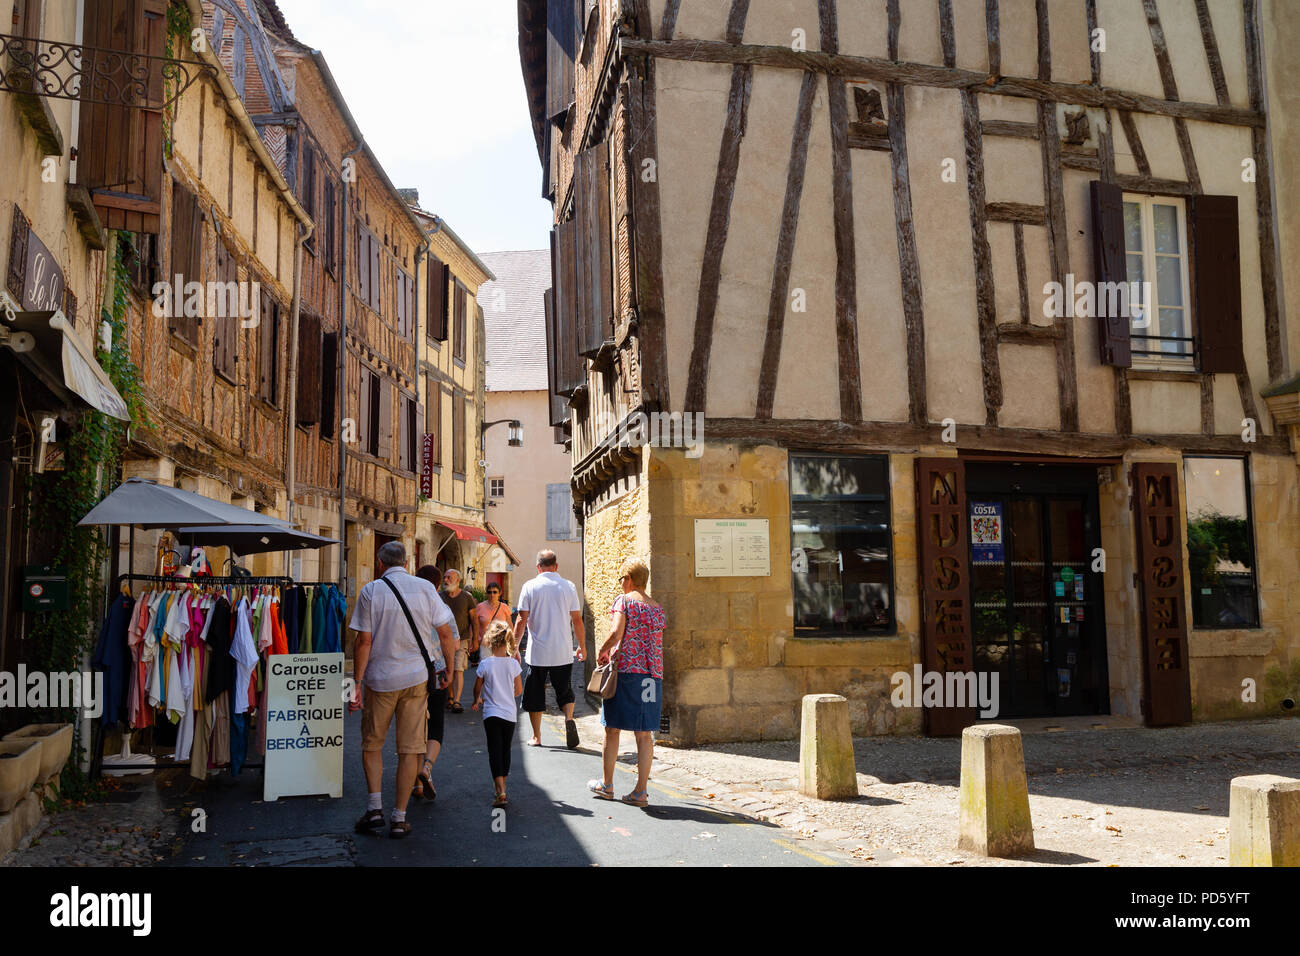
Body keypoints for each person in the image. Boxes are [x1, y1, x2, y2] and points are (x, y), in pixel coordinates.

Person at [348, 542, 457, 838]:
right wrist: (448, 669)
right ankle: (399, 816)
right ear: (407, 562)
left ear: (380, 563)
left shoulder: (371, 591)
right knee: (410, 749)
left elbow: (363, 642)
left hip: (379, 680)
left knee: (372, 743)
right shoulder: (425, 589)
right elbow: (446, 634)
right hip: (415, 679)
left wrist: (355, 684)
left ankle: (374, 809)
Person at [587, 559, 664, 807]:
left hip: (628, 673)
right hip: (653, 676)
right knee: (644, 734)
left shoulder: (625, 601)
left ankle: (607, 785)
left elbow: (617, 632)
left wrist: (603, 649)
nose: (620, 583)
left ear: (629, 579)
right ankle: (640, 792)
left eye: (621, 579)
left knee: (612, 729)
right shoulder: (657, 608)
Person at [513, 550, 585, 749]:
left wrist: (514, 647)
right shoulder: (568, 586)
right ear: (556, 566)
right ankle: (569, 718)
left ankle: (537, 736)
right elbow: (577, 620)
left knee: (535, 695)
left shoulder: (530, 586)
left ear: (538, 567)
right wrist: (582, 646)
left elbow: (521, 619)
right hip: (562, 651)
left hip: (538, 653)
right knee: (564, 690)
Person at [471, 621, 524, 808]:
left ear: (490, 642)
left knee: (494, 750)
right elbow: (518, 690)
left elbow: (477, 687)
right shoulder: (513, 664)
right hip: (509, 714)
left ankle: (499, 790)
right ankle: (502, 788)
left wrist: (477, 699)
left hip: (491, 714)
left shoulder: (485, 664)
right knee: (505, 750)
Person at [413, 565, 447, 800]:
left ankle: (417, 784)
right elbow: (450, 640)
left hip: (412, 672)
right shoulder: (441, 606)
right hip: (437, 671)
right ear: (437, 585)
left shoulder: (410, 605)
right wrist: (452, 673)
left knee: (414, 729)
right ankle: (427, 768)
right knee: (436, 724)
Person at [439, 569, 478, 713]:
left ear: (458, 580)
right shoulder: (439, 597)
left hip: (462, 639)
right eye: (445, 577)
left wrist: (475, 640)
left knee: (458, 669)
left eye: (449, 577)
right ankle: (449, 697)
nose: (446, 580)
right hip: (442, 640)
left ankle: (457, 700)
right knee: (446, 668)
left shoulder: (466, 597)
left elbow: (474, 619)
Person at [476, 583, 515, 660]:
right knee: (486, 667)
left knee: (500, 668)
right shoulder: (480, 607)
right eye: (489, 592)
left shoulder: (505, 607)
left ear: (499, 593)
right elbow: (475, 625)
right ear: (486, 593)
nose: (492, 594)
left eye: (495, 592)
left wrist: (512, 641)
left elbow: (510, 625)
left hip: (501, 644)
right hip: (485, 643)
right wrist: (477, 639)